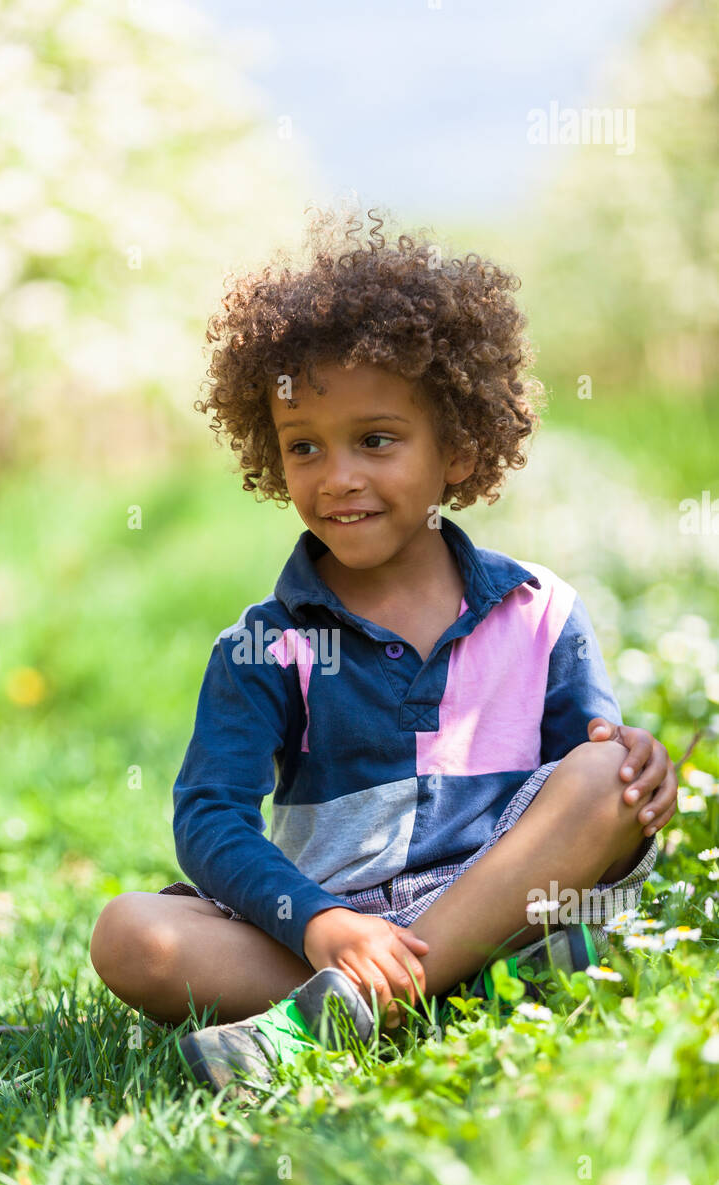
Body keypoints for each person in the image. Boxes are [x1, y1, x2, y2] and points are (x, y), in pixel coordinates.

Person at [90, 207, 678, 1094]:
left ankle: (347, 1016)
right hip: (332, 926)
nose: (338, 478)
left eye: (377, 440)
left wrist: (641, 767)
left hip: (497, 898)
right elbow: (209, 820)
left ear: (459, 450)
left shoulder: (541, 612)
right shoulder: (265, 645)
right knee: (129, 934)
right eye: (304, 448)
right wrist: (321, 923)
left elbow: (587, 782)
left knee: (605, 782)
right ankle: (459, 990)